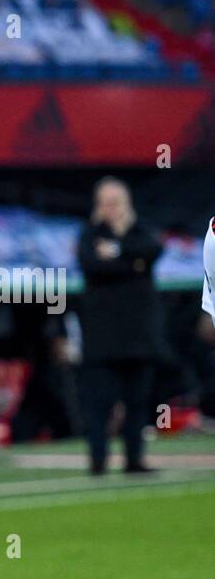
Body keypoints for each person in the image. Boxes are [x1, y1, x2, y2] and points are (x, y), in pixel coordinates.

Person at [75, 177, 164, 475]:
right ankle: (98, 461)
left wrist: (116, 251)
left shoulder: (143, 230)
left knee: (137, 403)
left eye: (116, 203)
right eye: (105, 203)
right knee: (98, 404)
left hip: (139, 337)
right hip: (101, 339)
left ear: (127, 205)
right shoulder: (89, 235)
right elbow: (91, 263)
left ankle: (134, 459)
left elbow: (151, 251)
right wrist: (131, 261)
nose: (110, 209)